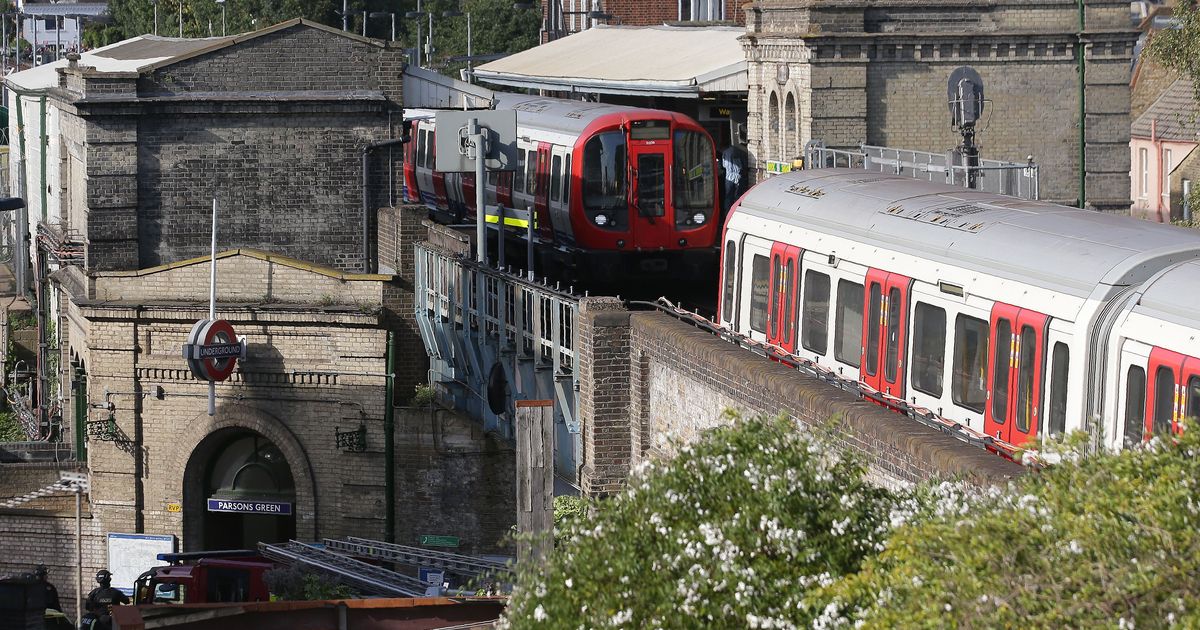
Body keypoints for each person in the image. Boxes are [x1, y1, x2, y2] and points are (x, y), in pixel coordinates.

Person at [721, 125, 750, 217]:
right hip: (738, 176)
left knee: (728, 196)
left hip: (728, 177)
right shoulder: (738, 151)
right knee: (738, 196)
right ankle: (736, 213)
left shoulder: (725, 152)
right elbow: (742, 164)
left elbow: (724, 165)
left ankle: (727, 214)